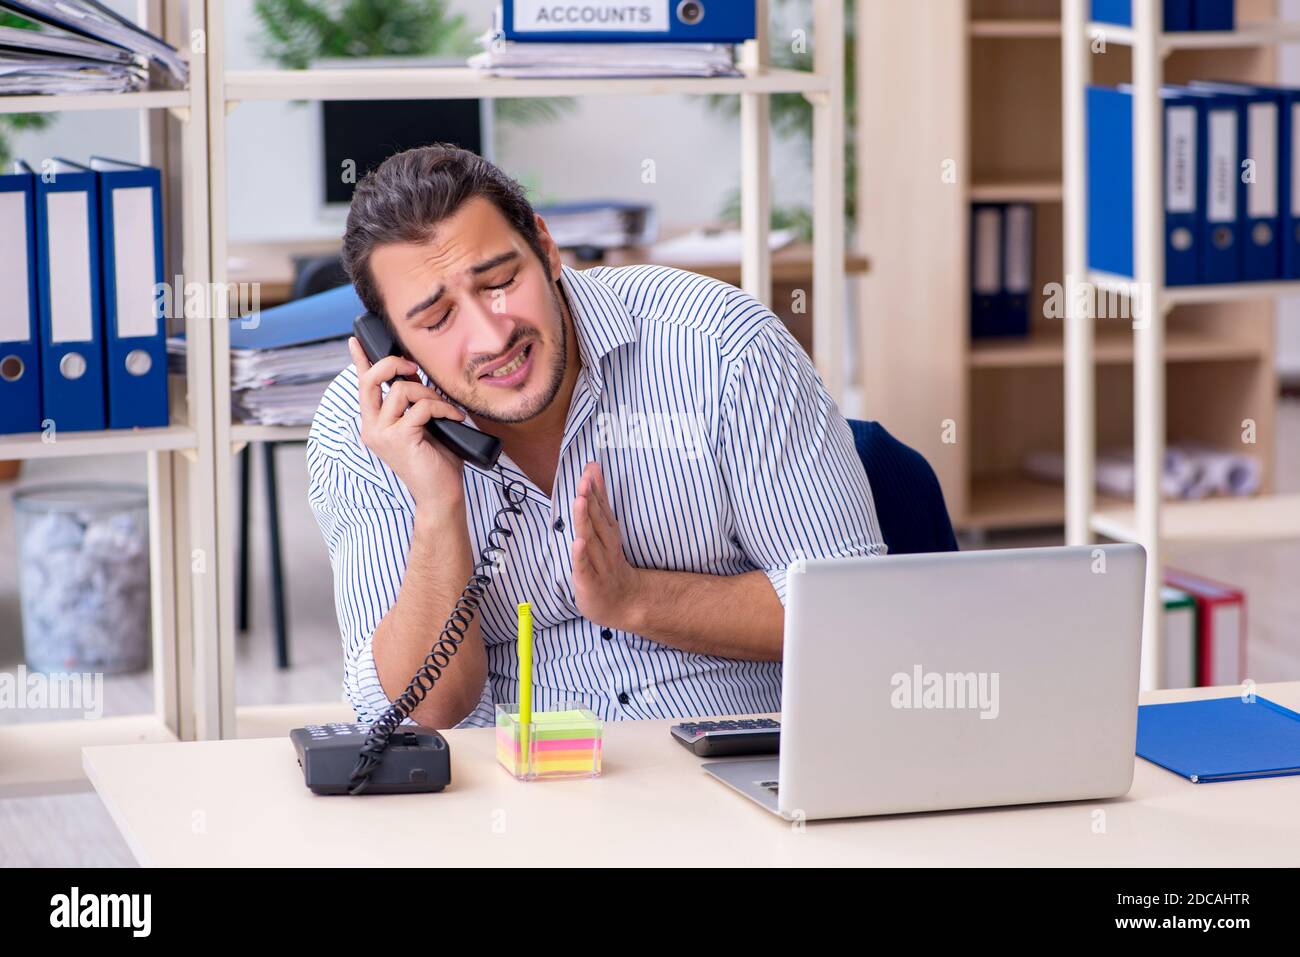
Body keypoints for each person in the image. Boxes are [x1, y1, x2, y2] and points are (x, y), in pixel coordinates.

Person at [307, 143, 885, 729]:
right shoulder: (360, 434)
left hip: (729, 766)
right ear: (392, 342)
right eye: (436, 320)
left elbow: (851, 611)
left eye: (500, 282)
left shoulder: (723, 348)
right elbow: (418, 713)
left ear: (546, 247)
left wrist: (637, 600)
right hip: (508, 795)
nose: (489, 337)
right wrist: (437, 508)